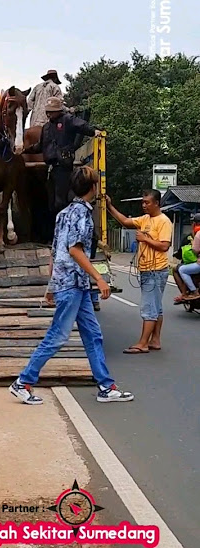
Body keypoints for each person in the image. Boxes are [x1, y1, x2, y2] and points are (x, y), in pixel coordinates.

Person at [9, 166, 134, 405]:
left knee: (93, 334)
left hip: (73, 284)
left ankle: (106, 387)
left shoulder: (63, 213)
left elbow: (54, 253)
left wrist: (50, 286)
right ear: (93, 188)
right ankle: (22, 382)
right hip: (73, 285)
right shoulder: (82, 215)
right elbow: (74, 249)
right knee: (58, 335)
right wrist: (98, 277)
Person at [106, 190, 172, 353]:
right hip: (147, 268)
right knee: (156, 307)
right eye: (143, 202)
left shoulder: (163, 221)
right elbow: (126, 221)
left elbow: (165, 245)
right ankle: (155, 339)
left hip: (155, 269)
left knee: (149, 307)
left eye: (147, 202)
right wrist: (109, 206)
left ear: (156, 203)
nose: (144, 205)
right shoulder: (145, 219)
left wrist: (145, 239)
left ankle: (143, 343)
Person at [25, 97, 102, 216]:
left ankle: (65, 225)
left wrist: (93, 132)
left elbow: (81, 125)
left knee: (61, 201)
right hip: (50, 168)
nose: (49, 114)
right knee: (52, 203)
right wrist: (25, 151)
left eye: (51, 111)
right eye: (48, 111)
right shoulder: (46, 127)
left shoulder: (67, 120)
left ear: (58, 111)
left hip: (63, 166)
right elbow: (40, 146)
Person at [174, 213, 200, 301]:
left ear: (193, 224)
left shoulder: (194, 236)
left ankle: (186, 293)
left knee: (179, 269)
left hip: (196, 264)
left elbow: (195, 250)